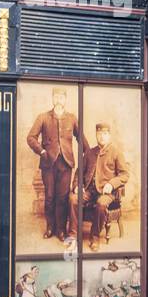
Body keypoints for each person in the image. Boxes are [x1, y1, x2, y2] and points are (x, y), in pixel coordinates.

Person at [25, 88, 83, 242]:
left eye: (61, 97)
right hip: (48, 164)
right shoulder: (43, 117)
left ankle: (61, 230)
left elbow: (81, 138)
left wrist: (89, 154)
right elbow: (31, 138)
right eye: (56, 97)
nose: (59, 100)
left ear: (65, 100)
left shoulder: (72, 118)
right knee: (50, 197)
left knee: (62, 198)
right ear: (52, 99)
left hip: (66, 164)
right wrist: (42, 151)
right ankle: (50, 227)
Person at [80, 122, 130, 252]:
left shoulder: (116, 152)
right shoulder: (90, 152)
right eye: (99, 133)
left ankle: (95, 237)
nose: (102, 136)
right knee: (73, 198)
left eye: (105, 134)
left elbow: (124, 174)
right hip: (90, 190)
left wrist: (111, 183)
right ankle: (74, 236)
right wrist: (77, 186)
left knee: (101, 204)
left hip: (107, 193)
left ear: (109, 136)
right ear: (96, 135)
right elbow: (79, 173)